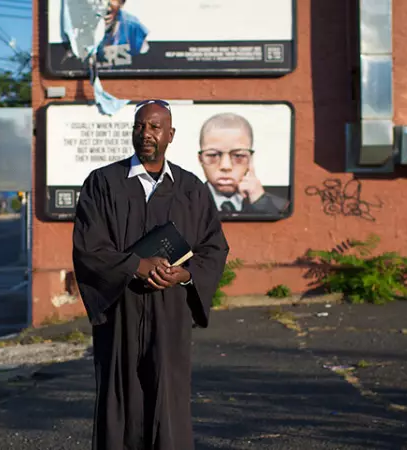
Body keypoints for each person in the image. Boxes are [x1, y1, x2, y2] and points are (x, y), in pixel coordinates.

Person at [72, 99, 230, 450]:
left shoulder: (191, 189)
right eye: (140, 126)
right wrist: (136, 266)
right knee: (119, 398)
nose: (146, 134)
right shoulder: (103, 184)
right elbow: (88, 247)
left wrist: (185, 275)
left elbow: (214, 248)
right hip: (121, 308)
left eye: (155, 127)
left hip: (169, 310)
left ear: (170, 135)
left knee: (168, 399)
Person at [197, 112, 289, 214]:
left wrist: (261, 202)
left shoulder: (282, 207)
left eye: (238, 156)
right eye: (213, 155)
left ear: (250, 159)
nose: (225, 166)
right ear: (200, 159)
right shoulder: (184, 205)